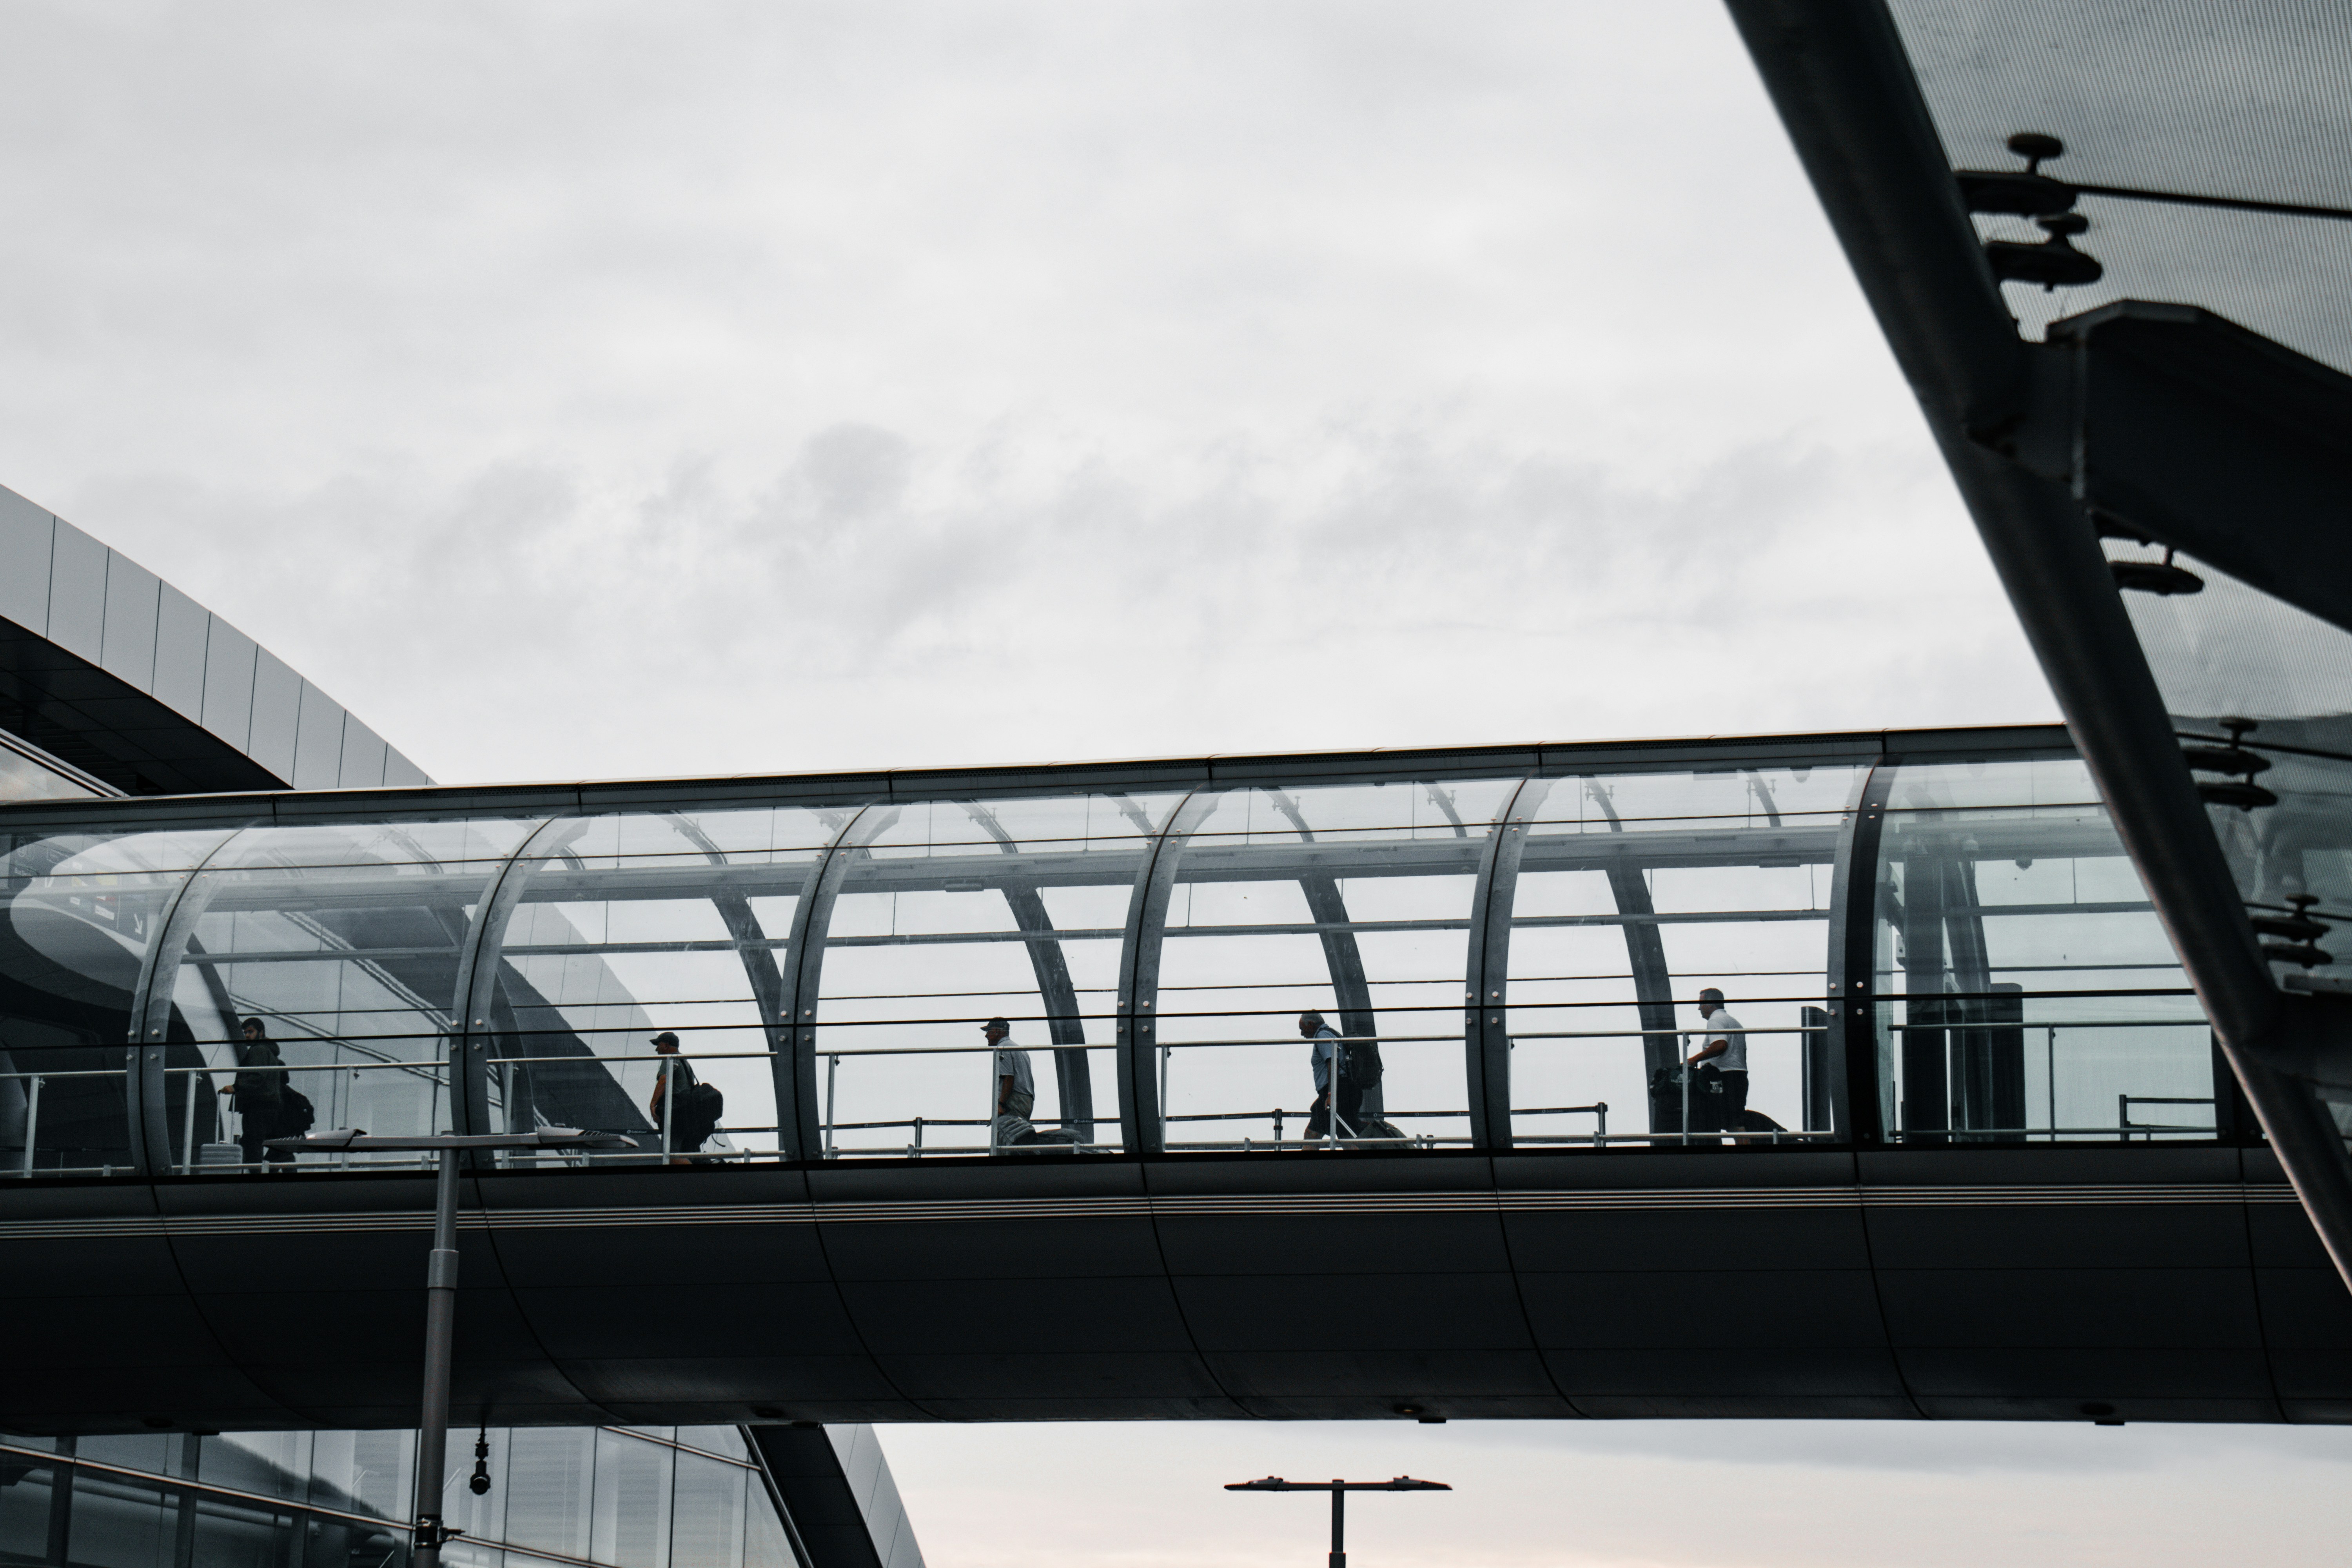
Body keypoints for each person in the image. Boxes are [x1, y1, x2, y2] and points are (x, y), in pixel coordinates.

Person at [218, 1017, 294, 1169]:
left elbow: (257, 1076)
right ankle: (277, 1162)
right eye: (245, 1032)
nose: (247, 1035)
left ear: (261, 1033)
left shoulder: (258, 1050)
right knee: (252, 1143)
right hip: (269, 1107)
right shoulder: (269, 1052)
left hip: (258, 1106)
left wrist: (235, 1087)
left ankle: (258, 1176)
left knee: (252, 1146)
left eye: (251, 1032)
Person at [1683, 989, 1751, 1134]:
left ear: (1711, 1004)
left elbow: (1720, 1045)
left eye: (1701, 1004)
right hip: (1739, 1076)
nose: (1699, 1008)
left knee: (1716, 1122)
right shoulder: (1734, 1022)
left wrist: (1693, 1060)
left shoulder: (1715, 1021)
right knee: (1735, 1122)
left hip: (1724, 1077)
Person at [648, 1031, 719, 1163]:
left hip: (676, 1116)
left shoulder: (670, 1059)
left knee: (669, 1156)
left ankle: (697, 1179)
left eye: (658, 1045)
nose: (657, 1049)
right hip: (686, 1116)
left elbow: (664, 1081)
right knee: (687, 1152)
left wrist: (653, 1105)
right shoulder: (685, 1062)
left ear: (666, 1045)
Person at [1300, 1011, 1361, 1144]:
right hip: (1343, 1090)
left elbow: (1333, 1064)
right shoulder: (1332, 1033)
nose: (1302, 1034)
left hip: (1335, 1091)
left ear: (1311, 1024)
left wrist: (1330, 1095)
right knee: (1345, 1136)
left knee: (1312, 1135)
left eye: (1302, 1029)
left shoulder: (1323, 1036)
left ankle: (1302, 1165)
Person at [985, 1017, 1036, 1149]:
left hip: (1014, 1100)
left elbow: (1009, 1078)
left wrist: (1001, 1104)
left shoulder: (1003, 1048)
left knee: (1008, 1141)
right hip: (1026, 1101)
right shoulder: (1020, 1049)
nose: (986, 1035)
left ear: (997, 1032)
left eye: (988, 1031)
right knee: (1020, 1139)